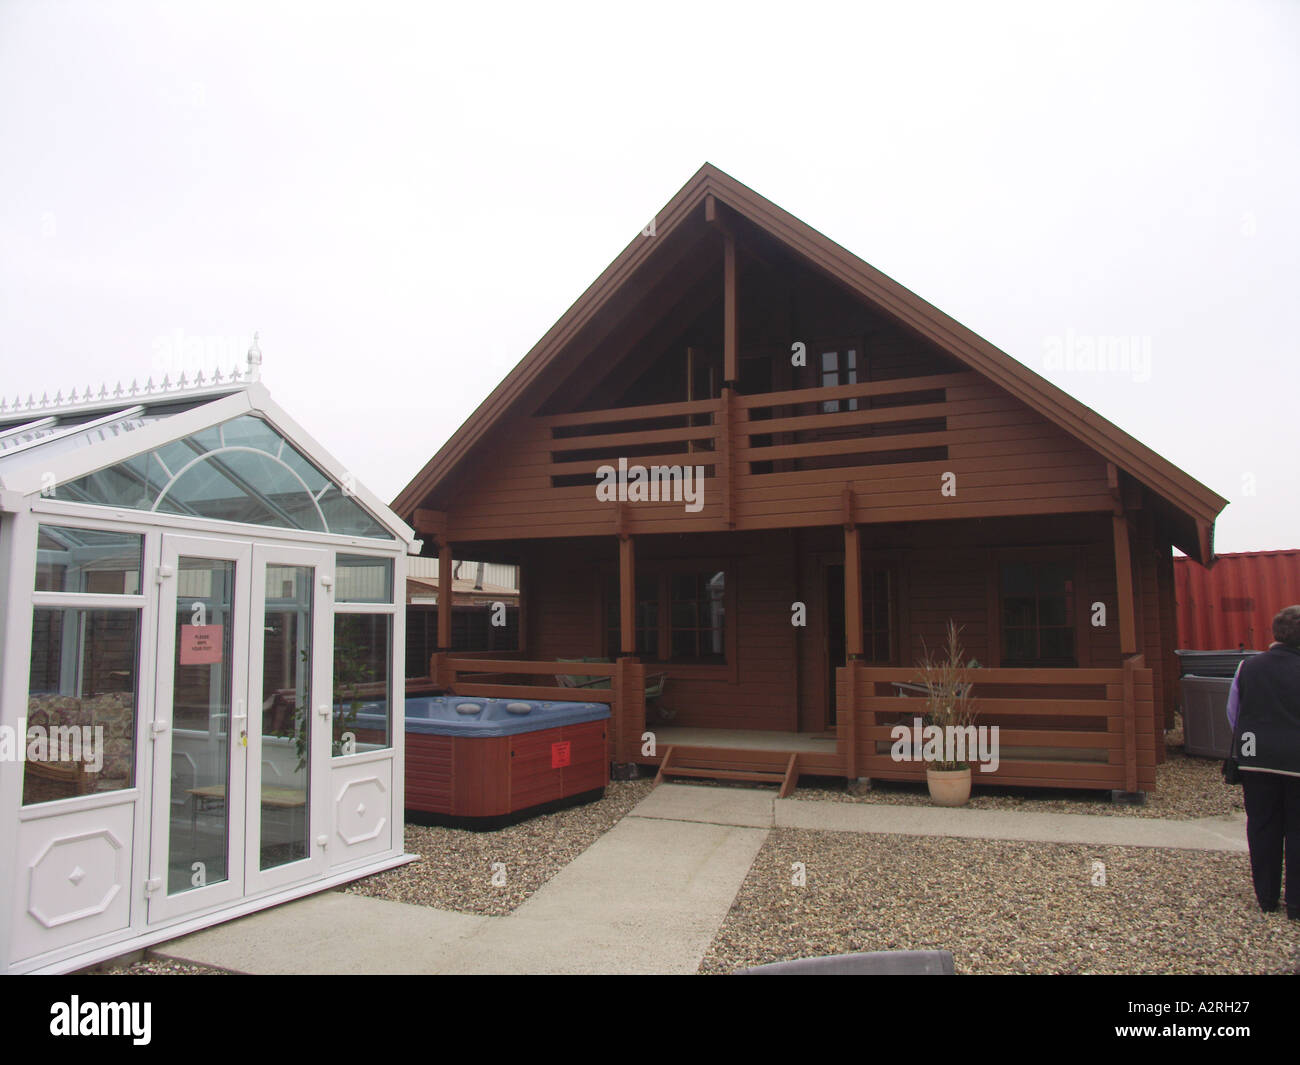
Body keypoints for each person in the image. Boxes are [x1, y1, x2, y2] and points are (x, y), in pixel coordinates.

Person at [1226, 605, 1300, 917]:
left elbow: (1234, 713)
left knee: (1262, 826)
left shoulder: (1247, 667)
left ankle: (1267, 898)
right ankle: (1296, 903)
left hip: (1255, 760)